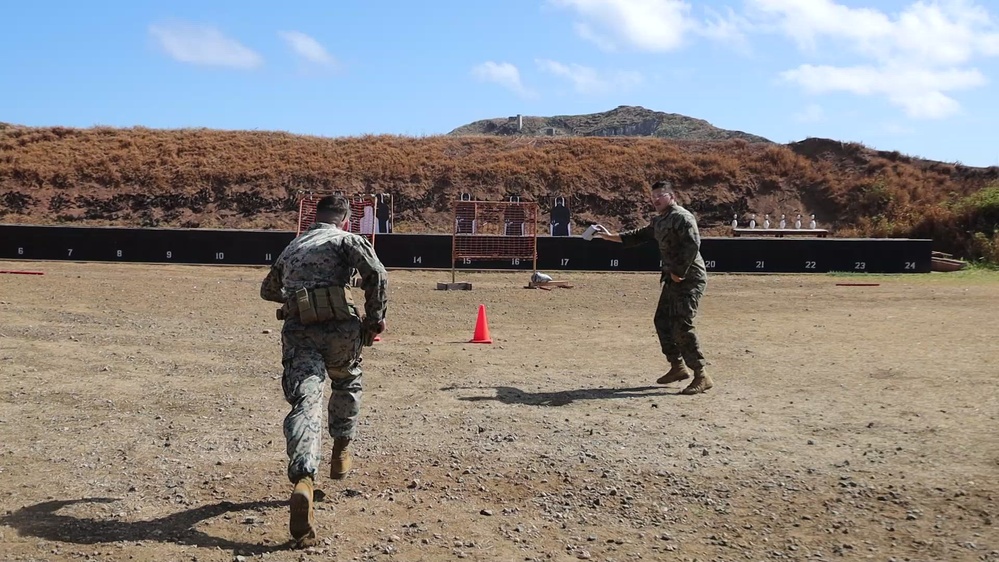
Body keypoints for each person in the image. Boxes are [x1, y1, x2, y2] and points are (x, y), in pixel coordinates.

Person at [259, 194, 388, 548]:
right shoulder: (346, 240)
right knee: (347, 381)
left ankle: (303, 480)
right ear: (345, 220)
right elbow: (376, 273)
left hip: (300, 331)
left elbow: (268, 290)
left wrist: (299, 296)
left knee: (306, 401)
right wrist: (375, 319)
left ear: (313, 218)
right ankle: (341, 449)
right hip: (341, 332)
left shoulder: (294, 246)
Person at [591, 180, 713, 395]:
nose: (656, 199)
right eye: (653, 196)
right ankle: (677, 367)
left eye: (660, 195)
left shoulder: (682, 217)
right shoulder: (660, 220)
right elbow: (638, 236)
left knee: (682, 324)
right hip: (672, 279)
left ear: (672, 196)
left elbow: (692, 245)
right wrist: (608, 236)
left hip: (689, 279)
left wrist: (679, 272)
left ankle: (701, 375)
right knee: (662, 321)